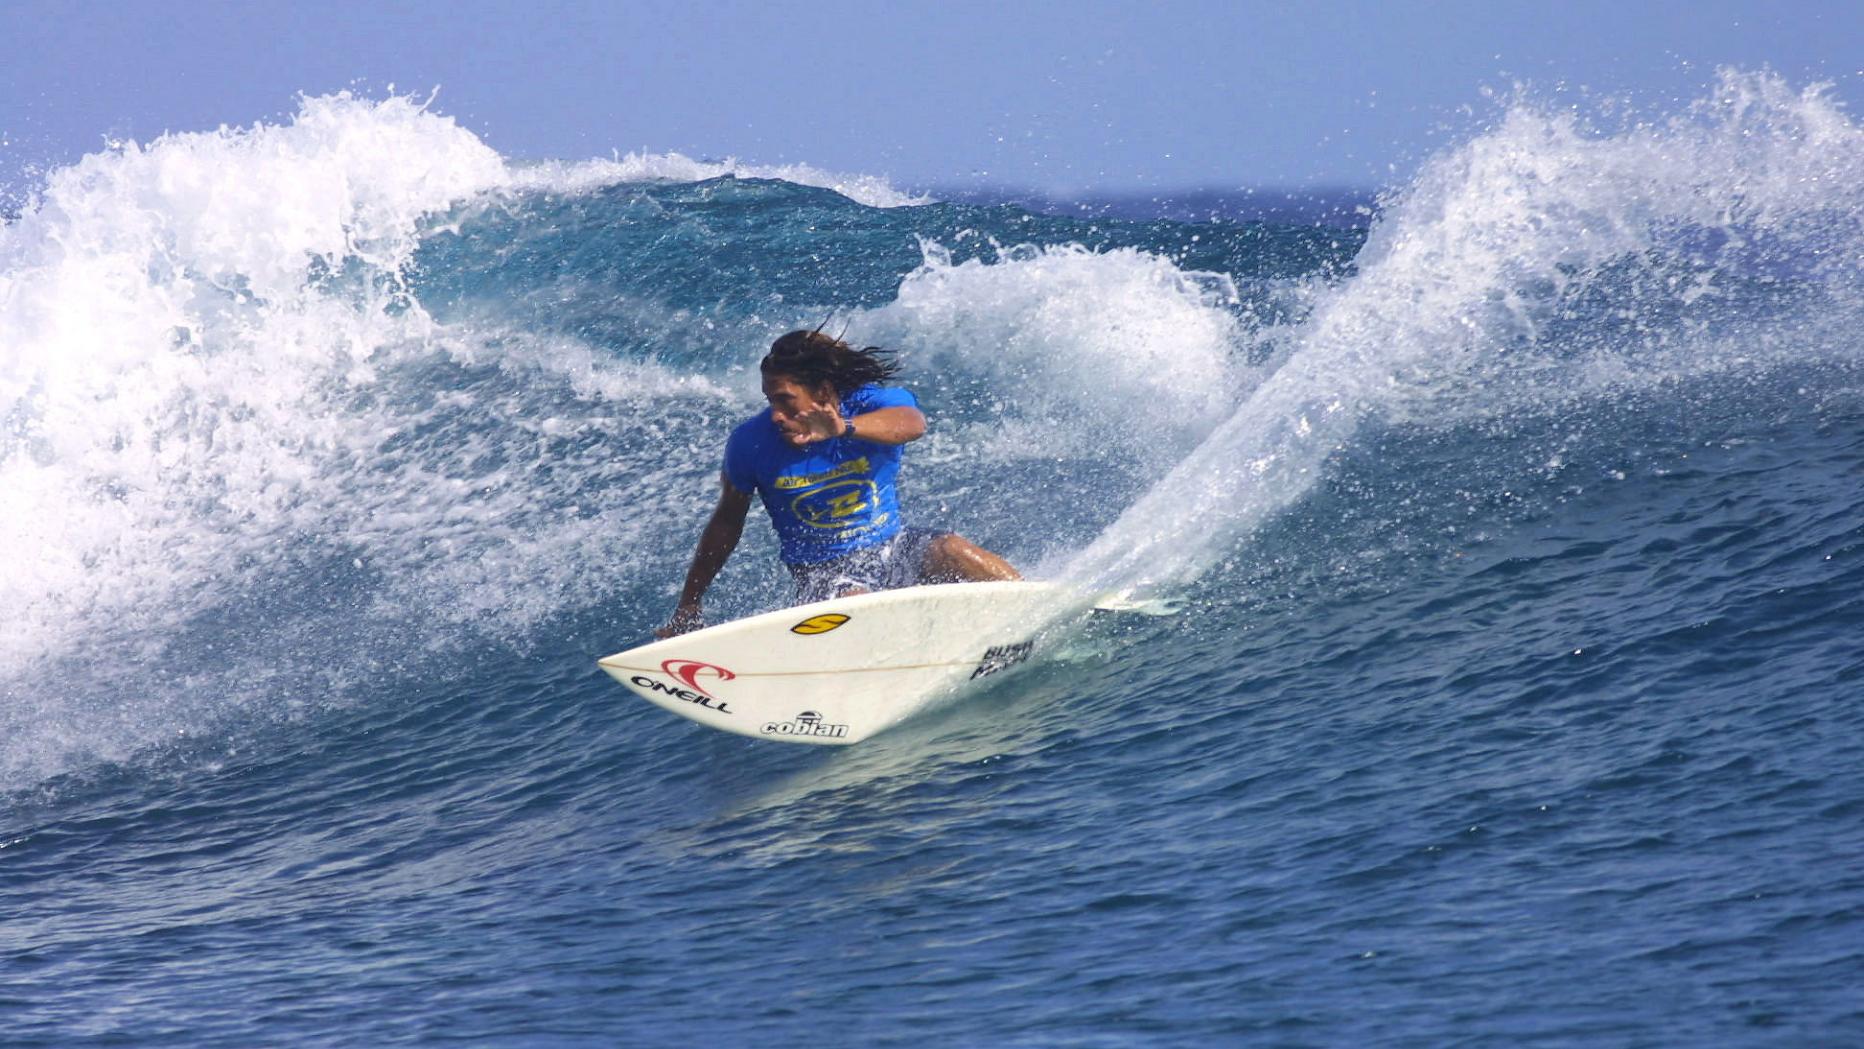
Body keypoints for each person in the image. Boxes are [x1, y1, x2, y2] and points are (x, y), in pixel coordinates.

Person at [657, 328, 1019, 637]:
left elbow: (912, 424)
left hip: (895, 546)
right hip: (822, 573)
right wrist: (690, 603)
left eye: (786, 400)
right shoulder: (750, 443)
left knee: (953, 549)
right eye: (770, 401)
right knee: (854, 603)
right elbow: (726, 524)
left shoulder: (869, 406)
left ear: (823, 392)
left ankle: (1026, 613)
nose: (777, 415)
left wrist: (843, 429)